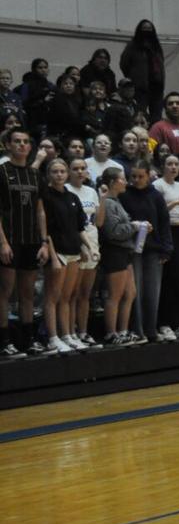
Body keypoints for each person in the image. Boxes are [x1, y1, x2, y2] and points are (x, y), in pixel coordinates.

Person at [0, 128, 49, 356]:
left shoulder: (35, 174)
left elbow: (40, 211)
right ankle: (4, 342)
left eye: (25, 142)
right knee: (5, 292)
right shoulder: (2, 172)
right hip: (9, 240)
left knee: (27, 293)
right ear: (7, 145)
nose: (21, 145)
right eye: (16, 141)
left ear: (31, 147)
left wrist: (44, 242)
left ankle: (28, 339)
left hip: (31, 241)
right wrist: (3, 243)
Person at [39, 157, 87, 353]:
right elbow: (45, 229)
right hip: (57, 251)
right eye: (55, 172)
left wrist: (87, 247)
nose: (59, 175)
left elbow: (79, 227)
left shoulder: (72, 197)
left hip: (73, 251)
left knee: (67, 297)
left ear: (67, 174)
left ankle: (67, 335)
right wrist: (53, 257)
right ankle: (52, 337)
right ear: (49, 175)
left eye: (62, 172)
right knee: (52, 296)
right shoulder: (46, 197)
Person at [121, 160, 171, 343]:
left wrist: (167, 249)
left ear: (149, 175)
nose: (136, 179)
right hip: (132, 251)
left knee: (152, 291)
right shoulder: (124, 195)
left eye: (140, 176)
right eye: (133, 176)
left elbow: (164, 223)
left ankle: (151, 330)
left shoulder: (156, 196)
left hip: (154, 250)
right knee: (135, 292)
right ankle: (138, 331)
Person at [97, 166, 141, 345]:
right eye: (123, 179)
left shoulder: (117, 201)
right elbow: (112, 232)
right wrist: (135, 226)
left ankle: (123, 331)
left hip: (125, 251)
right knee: (115, 295)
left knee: (130, 293)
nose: (126, 182)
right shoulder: (107, 203)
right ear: (113, 182)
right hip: (114, 251)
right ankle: (111, 333)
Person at [153, 154, 179, 341]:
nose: (173, 167)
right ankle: (164, 323)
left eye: (176, 164)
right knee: (170, 279)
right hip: (167, 233)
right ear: (163, 167)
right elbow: (157, 213)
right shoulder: (158, 185)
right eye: (170, 164)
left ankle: (178, 323)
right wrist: (176, 203)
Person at [64, 157, 102, 347]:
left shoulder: (92, 192)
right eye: (75, 168)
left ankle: (83, 332)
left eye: (83, 168)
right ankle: (69, 332)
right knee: (72, 293)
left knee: (86, 294)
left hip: (93, 243)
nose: (80, 171)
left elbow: (98, 222)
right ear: (69, 171)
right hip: (75, 246)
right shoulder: (66, 191)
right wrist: (82, 246)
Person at [120, 19, 166, 120]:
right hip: (140, 88)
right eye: (144, 28)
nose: (147, 30)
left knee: (157, 116)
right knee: (140, 115)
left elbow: (161, 64)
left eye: (149, 28)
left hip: (157, 87)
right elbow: (124, 64)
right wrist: (134, 78)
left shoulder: (157, 47)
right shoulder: (132, 46)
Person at [148, 92, 179, 157]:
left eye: (178, 103)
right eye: (170, 104)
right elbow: (150, 152)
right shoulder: (157, 128)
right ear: (165, 108)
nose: (174, 106)